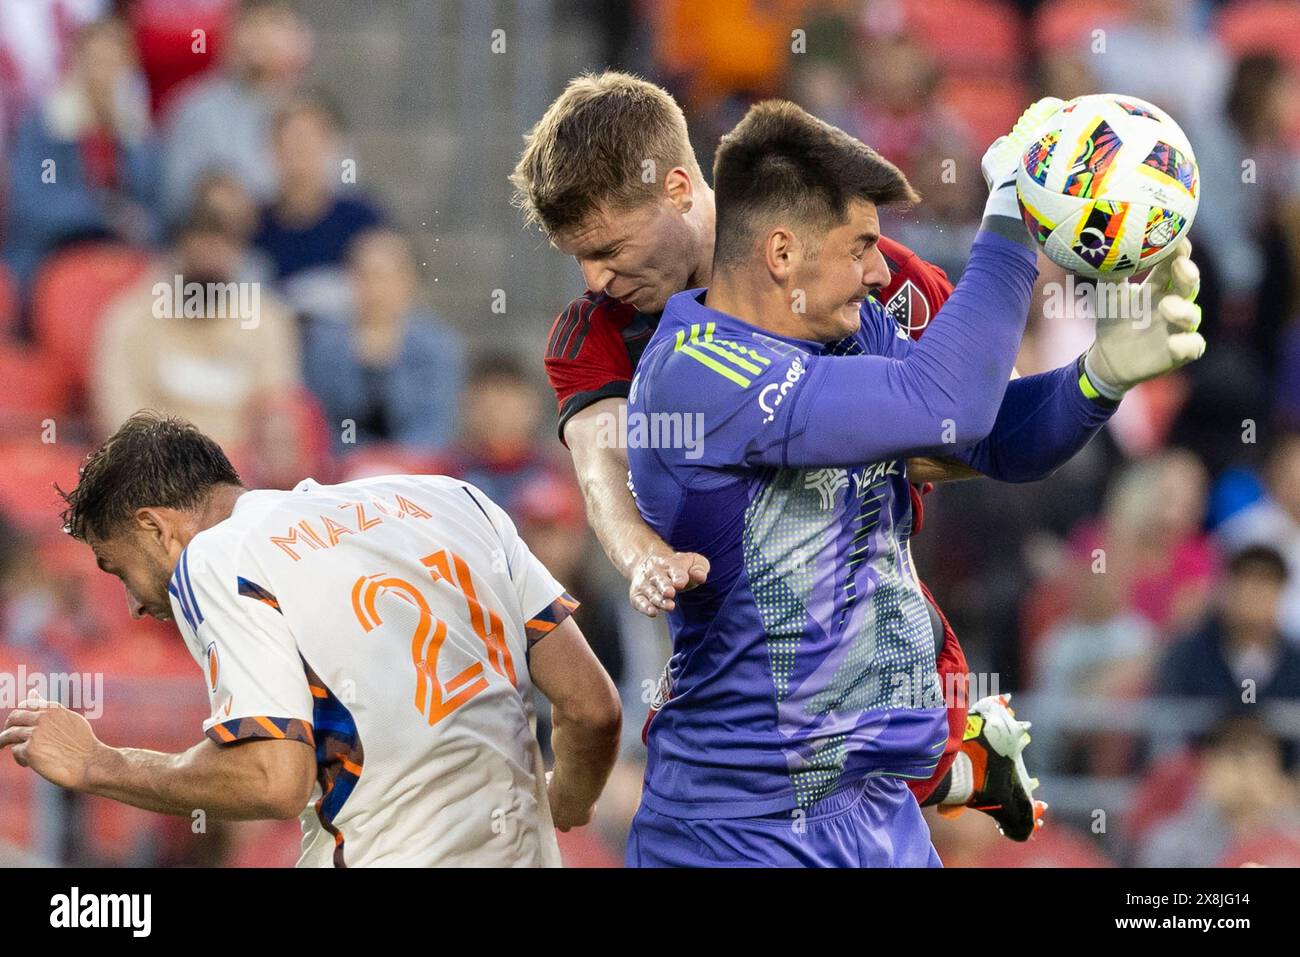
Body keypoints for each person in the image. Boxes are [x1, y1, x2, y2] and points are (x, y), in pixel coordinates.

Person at [619, 99, 1202, 866]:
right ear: (782, 253)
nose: (878, 269)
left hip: (874, 809)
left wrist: (1095, 379)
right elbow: (948, 406)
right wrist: (1011, 212)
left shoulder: (850, 330)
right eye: (862, 245)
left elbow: (988, 438)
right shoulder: (699, 375)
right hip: (739, 822)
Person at [512, 70, 1040, 839]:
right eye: (577, 258)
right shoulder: (593, 328)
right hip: (733, 608)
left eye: (607, 248)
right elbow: (601, 466)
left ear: (681, 189)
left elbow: (988, 418)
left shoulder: (854, 261)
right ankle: (962, 766)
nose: (595, 278)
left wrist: (863, 437)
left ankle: (960, 764)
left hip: (865, 588)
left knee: (866, 766)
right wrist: (641, 555)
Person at [0, 411, 621, 867]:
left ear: (157, 528)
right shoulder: (455, 500)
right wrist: (566, 799)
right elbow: (594, 708)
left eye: (119, 570)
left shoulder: (218, 555)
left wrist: (100, 763)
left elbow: (273, 779)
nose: (133, 605)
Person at [302, 229, 463, 454]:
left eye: (385, 277)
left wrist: (392, 465)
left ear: (409, 281)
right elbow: (321, 422)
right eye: (364, 276)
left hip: (415, 470)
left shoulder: (436, 346)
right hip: (343, 472)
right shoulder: (325, 344)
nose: (375, 289)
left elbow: (435, 425)